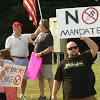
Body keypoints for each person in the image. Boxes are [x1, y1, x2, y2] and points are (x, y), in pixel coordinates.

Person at [5, 21, 40, 99]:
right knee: (15, 78)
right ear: (14, 28)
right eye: (18, 27)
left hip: (25, 59)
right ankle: (14, 95)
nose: (20, 28)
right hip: (14, 59)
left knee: (24, 78)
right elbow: (7, 50)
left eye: (20, 27)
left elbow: (35, 34)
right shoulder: (9, 39)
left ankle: (22, 94)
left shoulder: (25, 36)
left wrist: (40, 26)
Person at [28, 19, 53, 100]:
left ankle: (52, 96)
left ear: (44, 25)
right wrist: (32, 42)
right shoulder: (41, 34)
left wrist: (40, 53)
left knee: (49, 78)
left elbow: (50, 48)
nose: (38, 26)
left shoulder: (48, 35)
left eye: (39, 25)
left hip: (45, 61)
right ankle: (42, 96)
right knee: (40, 78)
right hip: (37, 61)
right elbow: (37, 44)